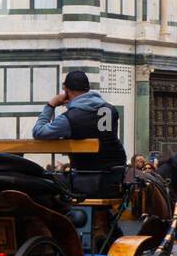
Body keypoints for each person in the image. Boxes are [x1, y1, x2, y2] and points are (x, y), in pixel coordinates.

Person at [31, 69, 127, 197]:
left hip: (86, 180)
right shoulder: (110, 110)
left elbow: (38, 132)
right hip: (115, 177)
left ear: (66, 90)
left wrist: (51, 105)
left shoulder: (69, 118)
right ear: (88, 89)